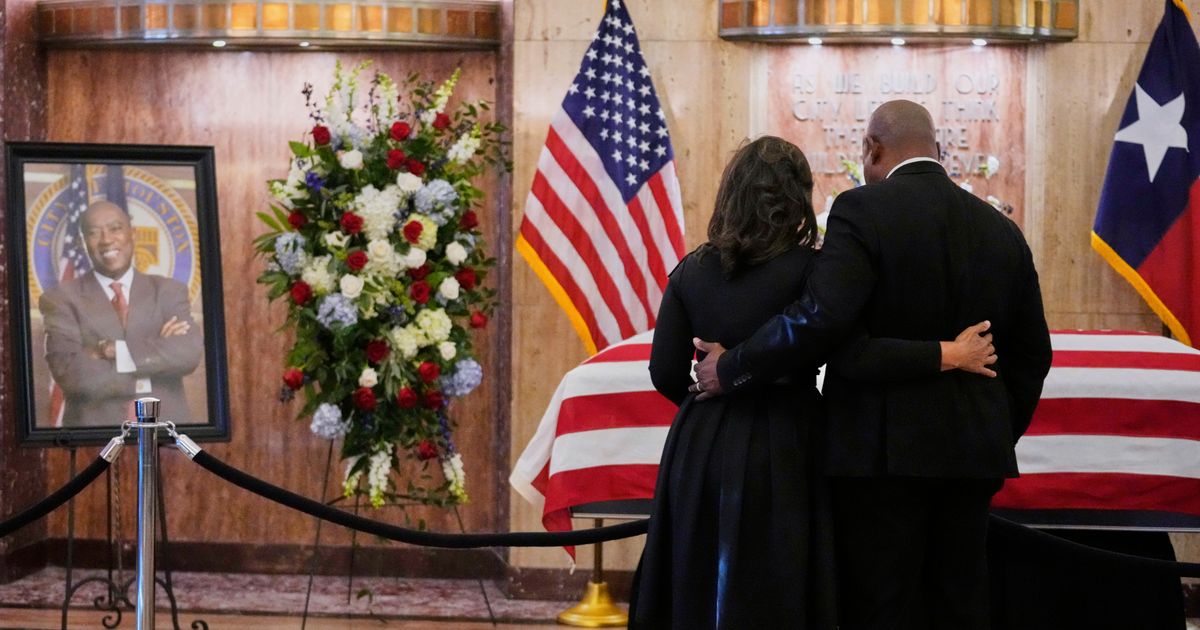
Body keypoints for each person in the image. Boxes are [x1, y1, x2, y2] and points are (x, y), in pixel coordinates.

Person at [692, 101, 1053, 630]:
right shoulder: (1001, 230)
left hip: (878, 455)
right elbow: (1033, 354)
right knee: (961, 604)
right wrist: (993, 426)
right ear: (938, 150)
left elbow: (821, 319)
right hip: (973, 452)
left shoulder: (861, 210)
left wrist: (732, 368)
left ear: (871, 149)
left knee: (879, 607)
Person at [627, 136, 1001, 629]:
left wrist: (710, 397)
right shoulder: (814, 271)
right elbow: (840, 348)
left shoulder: (689, 270)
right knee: (781, 577)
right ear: (797, 196)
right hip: (788, 436)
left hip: (701, 440)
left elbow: (663, 371)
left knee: (693, 573)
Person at [40, 200, 202, 427]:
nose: (106, 240)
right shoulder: (60, 300)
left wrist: (111, 351)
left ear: (133, 234)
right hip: (95, 437)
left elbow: (187, 354)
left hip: (164, 434)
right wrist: (151, 368)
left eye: (115, 229)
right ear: (82, 242)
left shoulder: (168, 291)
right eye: (94, 233)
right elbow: (73, 375)